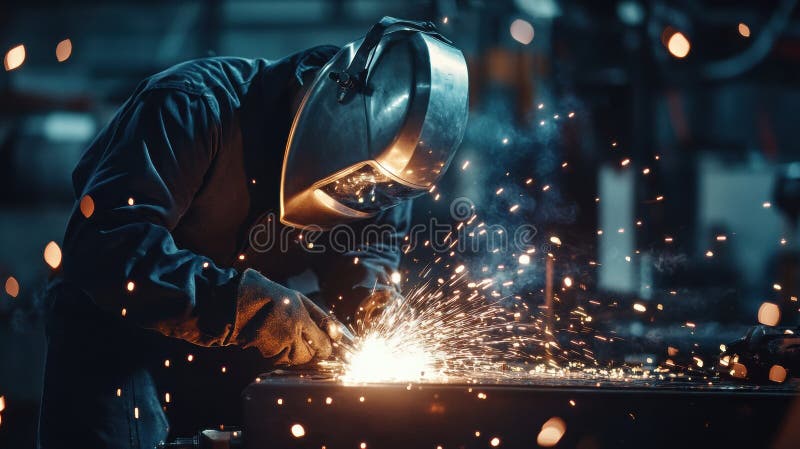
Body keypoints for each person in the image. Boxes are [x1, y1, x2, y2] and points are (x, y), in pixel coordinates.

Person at [37, 17, 469, 449]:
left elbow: (372, 245)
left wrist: (367, 296)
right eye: (361, 182)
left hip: (241, 352)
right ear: (333, 118)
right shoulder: (190, 106)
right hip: (118, 341)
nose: (365, 197)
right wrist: (243, 306)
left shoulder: (383, 169)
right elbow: (110, 249)